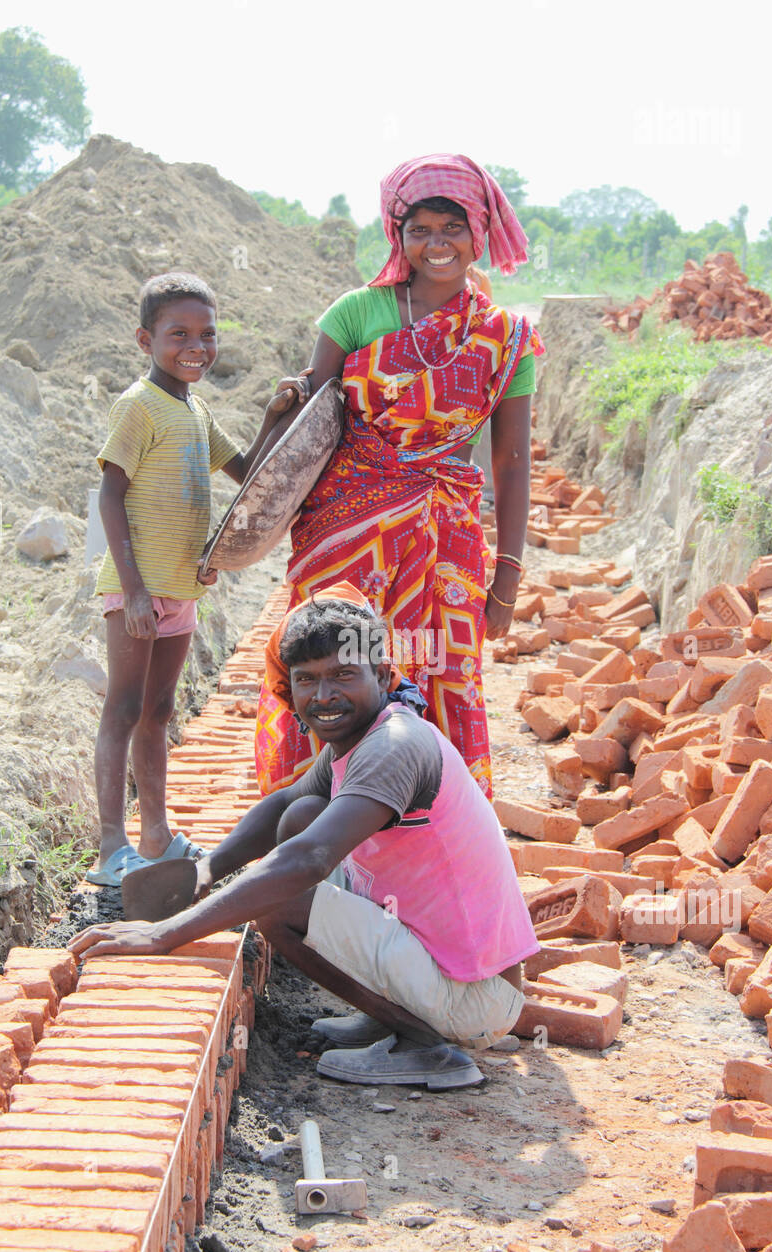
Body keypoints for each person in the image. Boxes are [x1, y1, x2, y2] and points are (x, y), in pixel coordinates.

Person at [70, 591, 536, 1089]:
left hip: (479, 995)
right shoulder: (364, 734)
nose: (324, 695)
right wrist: (207, 870)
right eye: (307, 680)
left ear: (381, 676)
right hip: (451, 965)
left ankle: (429, 1047)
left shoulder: (394, 746)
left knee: (279, 904)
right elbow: (282, 806)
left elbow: (309, 859)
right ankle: (393, 1015)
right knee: (303, 813)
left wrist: (166, 934)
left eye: (342, 675)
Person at [255, 153, 545, 803]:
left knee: (440, 678)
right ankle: (320, 833)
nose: (436, 244)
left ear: (480, 232)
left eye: (453, 227)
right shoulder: (355, 314)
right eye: (420, 230)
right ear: (397, 234)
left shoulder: (504, 337)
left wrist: (508, 573)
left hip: (447, 544)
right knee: (331, 674)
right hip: (342, 535)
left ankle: (427, 831)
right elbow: (305, 431)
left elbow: (510, 460)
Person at [89, 271, 306, 887]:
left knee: (158, 710)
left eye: (207, 334)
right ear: (144, 339)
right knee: (123, 708)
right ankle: (110, 848)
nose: (196, 347)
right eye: (178, 334)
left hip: (181, 588)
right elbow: (110, 497)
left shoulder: (195, 407)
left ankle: (155, 835)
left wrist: (275, 414)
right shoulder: (138, 405)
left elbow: (249, 471)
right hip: (137, 588)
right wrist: (132, 592)